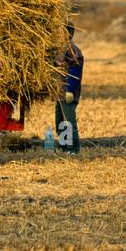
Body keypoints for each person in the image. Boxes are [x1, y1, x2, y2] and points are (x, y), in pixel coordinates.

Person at [54, 23, 83, 154]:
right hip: (59, 93)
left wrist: (70, 90)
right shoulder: (60, 49)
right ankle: (63, 147)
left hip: (67, 92)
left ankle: (73, 149)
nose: (58, 34)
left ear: (66, 33)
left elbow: (76, 71)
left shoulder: (73, 50)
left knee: (69, 122)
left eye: (60, 31)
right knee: (60, 122)